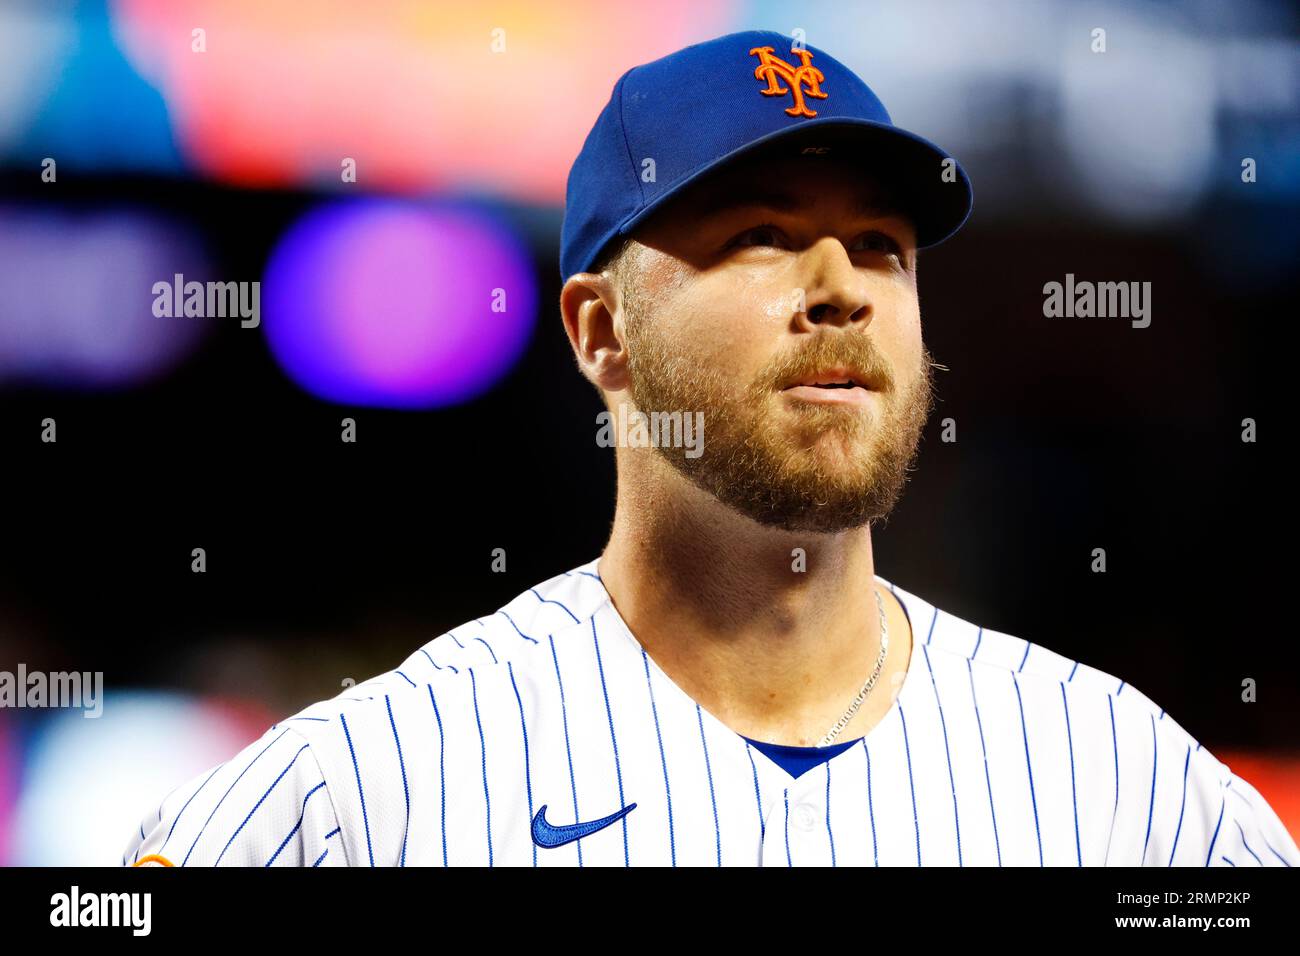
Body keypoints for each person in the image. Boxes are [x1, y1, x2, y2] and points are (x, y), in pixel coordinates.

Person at [123, 29, 1296, 867]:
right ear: (601, 330)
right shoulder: (367, 786)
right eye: (761, 236)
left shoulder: (1125, 784)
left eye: (881, 245)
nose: (840, 289)